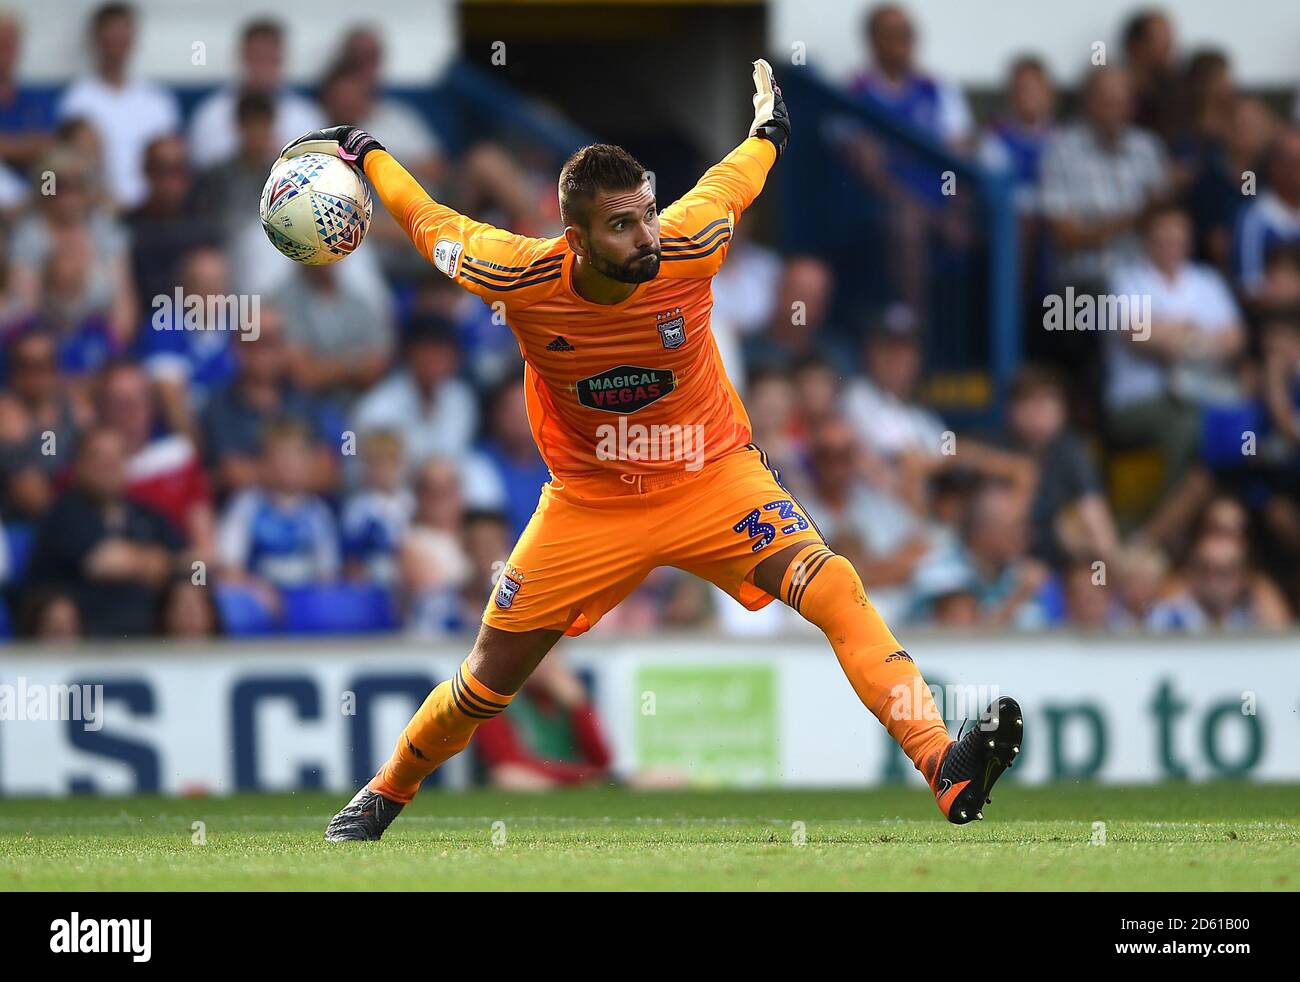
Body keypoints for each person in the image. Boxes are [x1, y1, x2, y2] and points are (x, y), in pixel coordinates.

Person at [286, 60, 1021, 841]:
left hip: (714, 476)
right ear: (576, 238)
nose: (646, 236)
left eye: (647, 215)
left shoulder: (689, 242)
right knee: (485, 684)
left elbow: (745, 168)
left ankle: (943, 762)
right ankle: (384, 793)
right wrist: (366, 152)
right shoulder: (517, 274)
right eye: (622, 225)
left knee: (835, 587)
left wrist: (769, 125)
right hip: (589, 503)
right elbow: (426, 217)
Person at [56, 2, 181, 209]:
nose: (117, 42)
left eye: (123, 34)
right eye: (111, 35)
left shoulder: (158, 101)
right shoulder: (76, 101)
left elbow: (172, 165)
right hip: (98, 209)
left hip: (155, 212)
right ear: (96, 39)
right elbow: (71, 167)